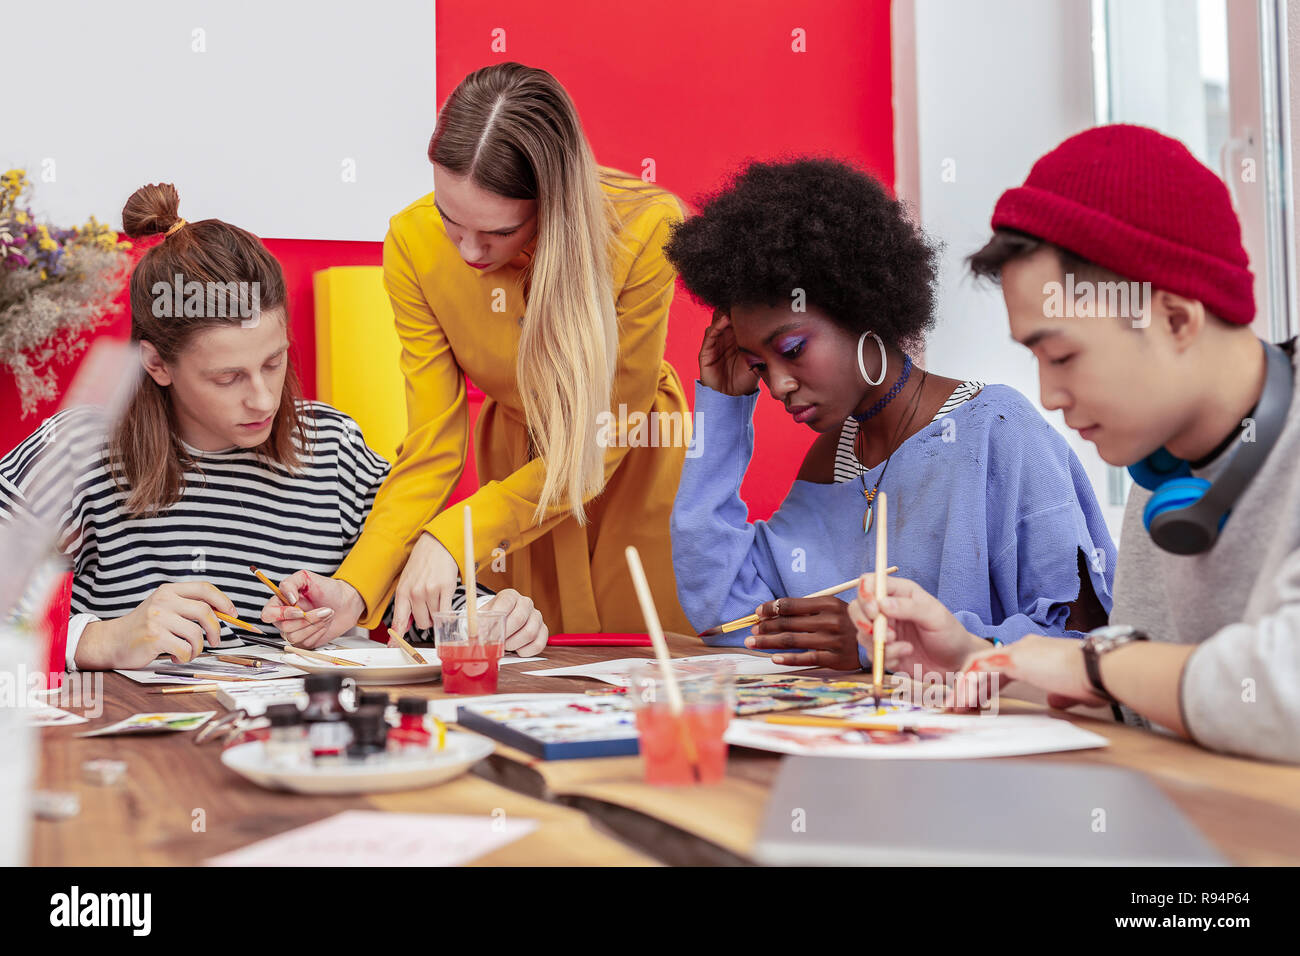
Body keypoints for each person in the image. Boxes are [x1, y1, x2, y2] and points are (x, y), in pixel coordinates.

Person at [851, 124, 1300, 763]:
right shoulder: (1166, 476)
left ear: (1175, 318)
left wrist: (1094, 663)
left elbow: (1284, 691)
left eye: (1061, 354)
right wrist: (979, 659)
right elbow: (1148, 702)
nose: (1049, 393)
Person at [0, 182, 544, 670]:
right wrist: (96, 640)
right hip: (136, 772)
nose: (262, 398)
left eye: (273, 362)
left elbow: (424, 598)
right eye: (227, 376)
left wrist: (490, 615)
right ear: (157, 364)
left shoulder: (331, 449)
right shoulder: (80, 453)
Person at [293, 62, 694, 642]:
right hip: (517, 483)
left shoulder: (646, 229)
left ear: (552, 205)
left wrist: (458, 533)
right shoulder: (412, 243)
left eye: (499, 233)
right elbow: (431, 446)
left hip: (629, 460)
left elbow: (605, 435)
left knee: (651, 661)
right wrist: (355, 589)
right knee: (532, 662)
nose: (469, 251)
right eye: (449, 219)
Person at [664, 157, 1114, 670]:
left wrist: (878, 645)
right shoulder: (834, 460)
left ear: (861, 310)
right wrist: (723, 408)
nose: (778, 386)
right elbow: (729, 619)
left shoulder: (998, 430)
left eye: (790, 349)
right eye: (756, 366)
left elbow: (1081, 643)